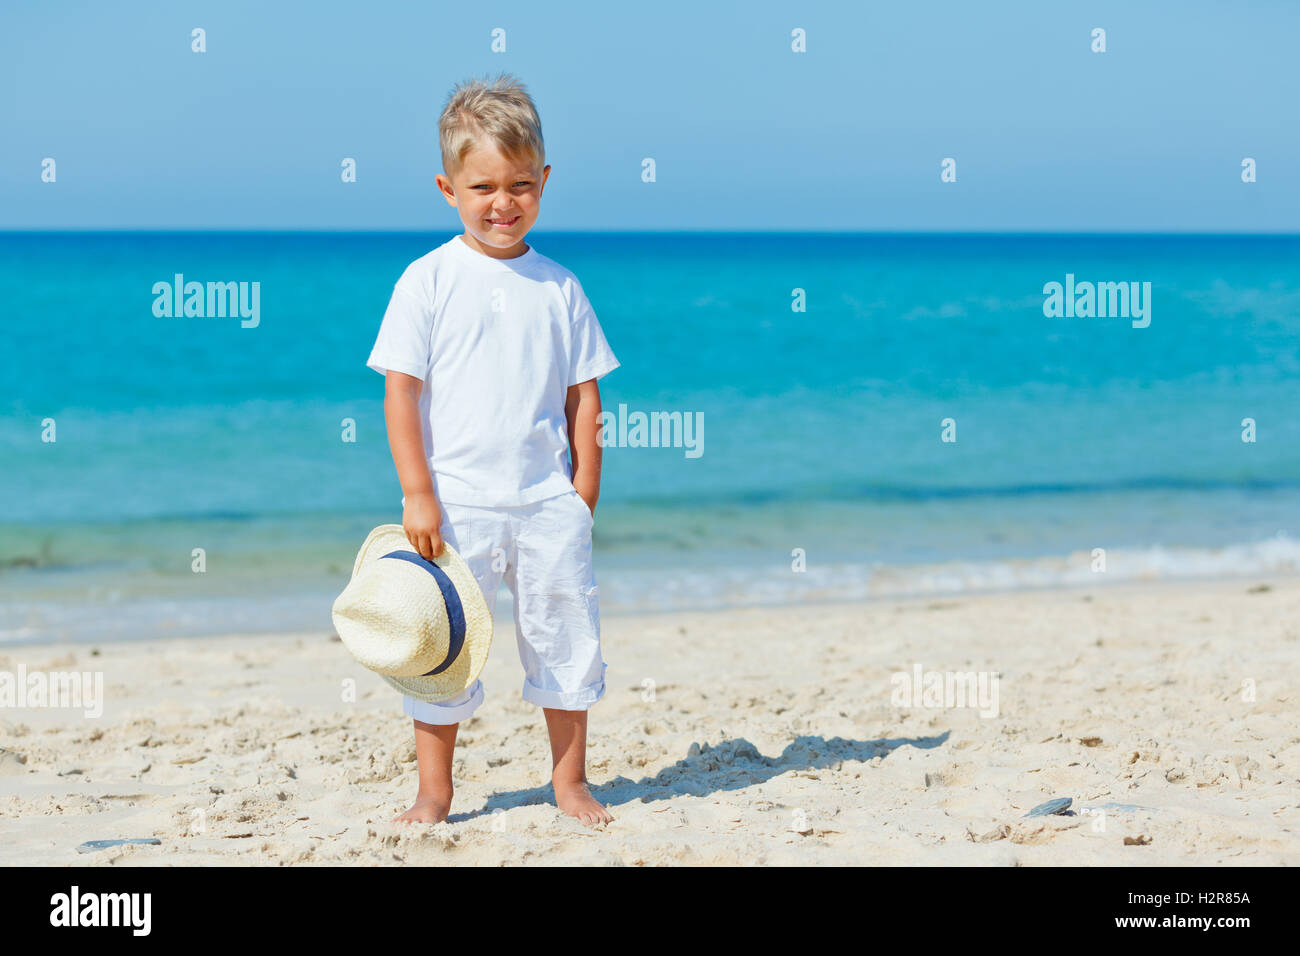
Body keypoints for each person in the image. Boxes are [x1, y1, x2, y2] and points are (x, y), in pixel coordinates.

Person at [366, 72, 619, 827]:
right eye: (483, 187)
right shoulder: (428, 281)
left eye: (518, 184)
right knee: (440, 647)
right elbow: (400, 391)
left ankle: (568, 782)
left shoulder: (561, 287)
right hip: (455, 503)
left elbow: (585, 398)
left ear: (543, 181)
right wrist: (418, 492)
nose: (502, 202)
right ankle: (435, 791)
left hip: (548, 502)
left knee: (566, 641)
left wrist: (584, 491)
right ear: (448, 188)